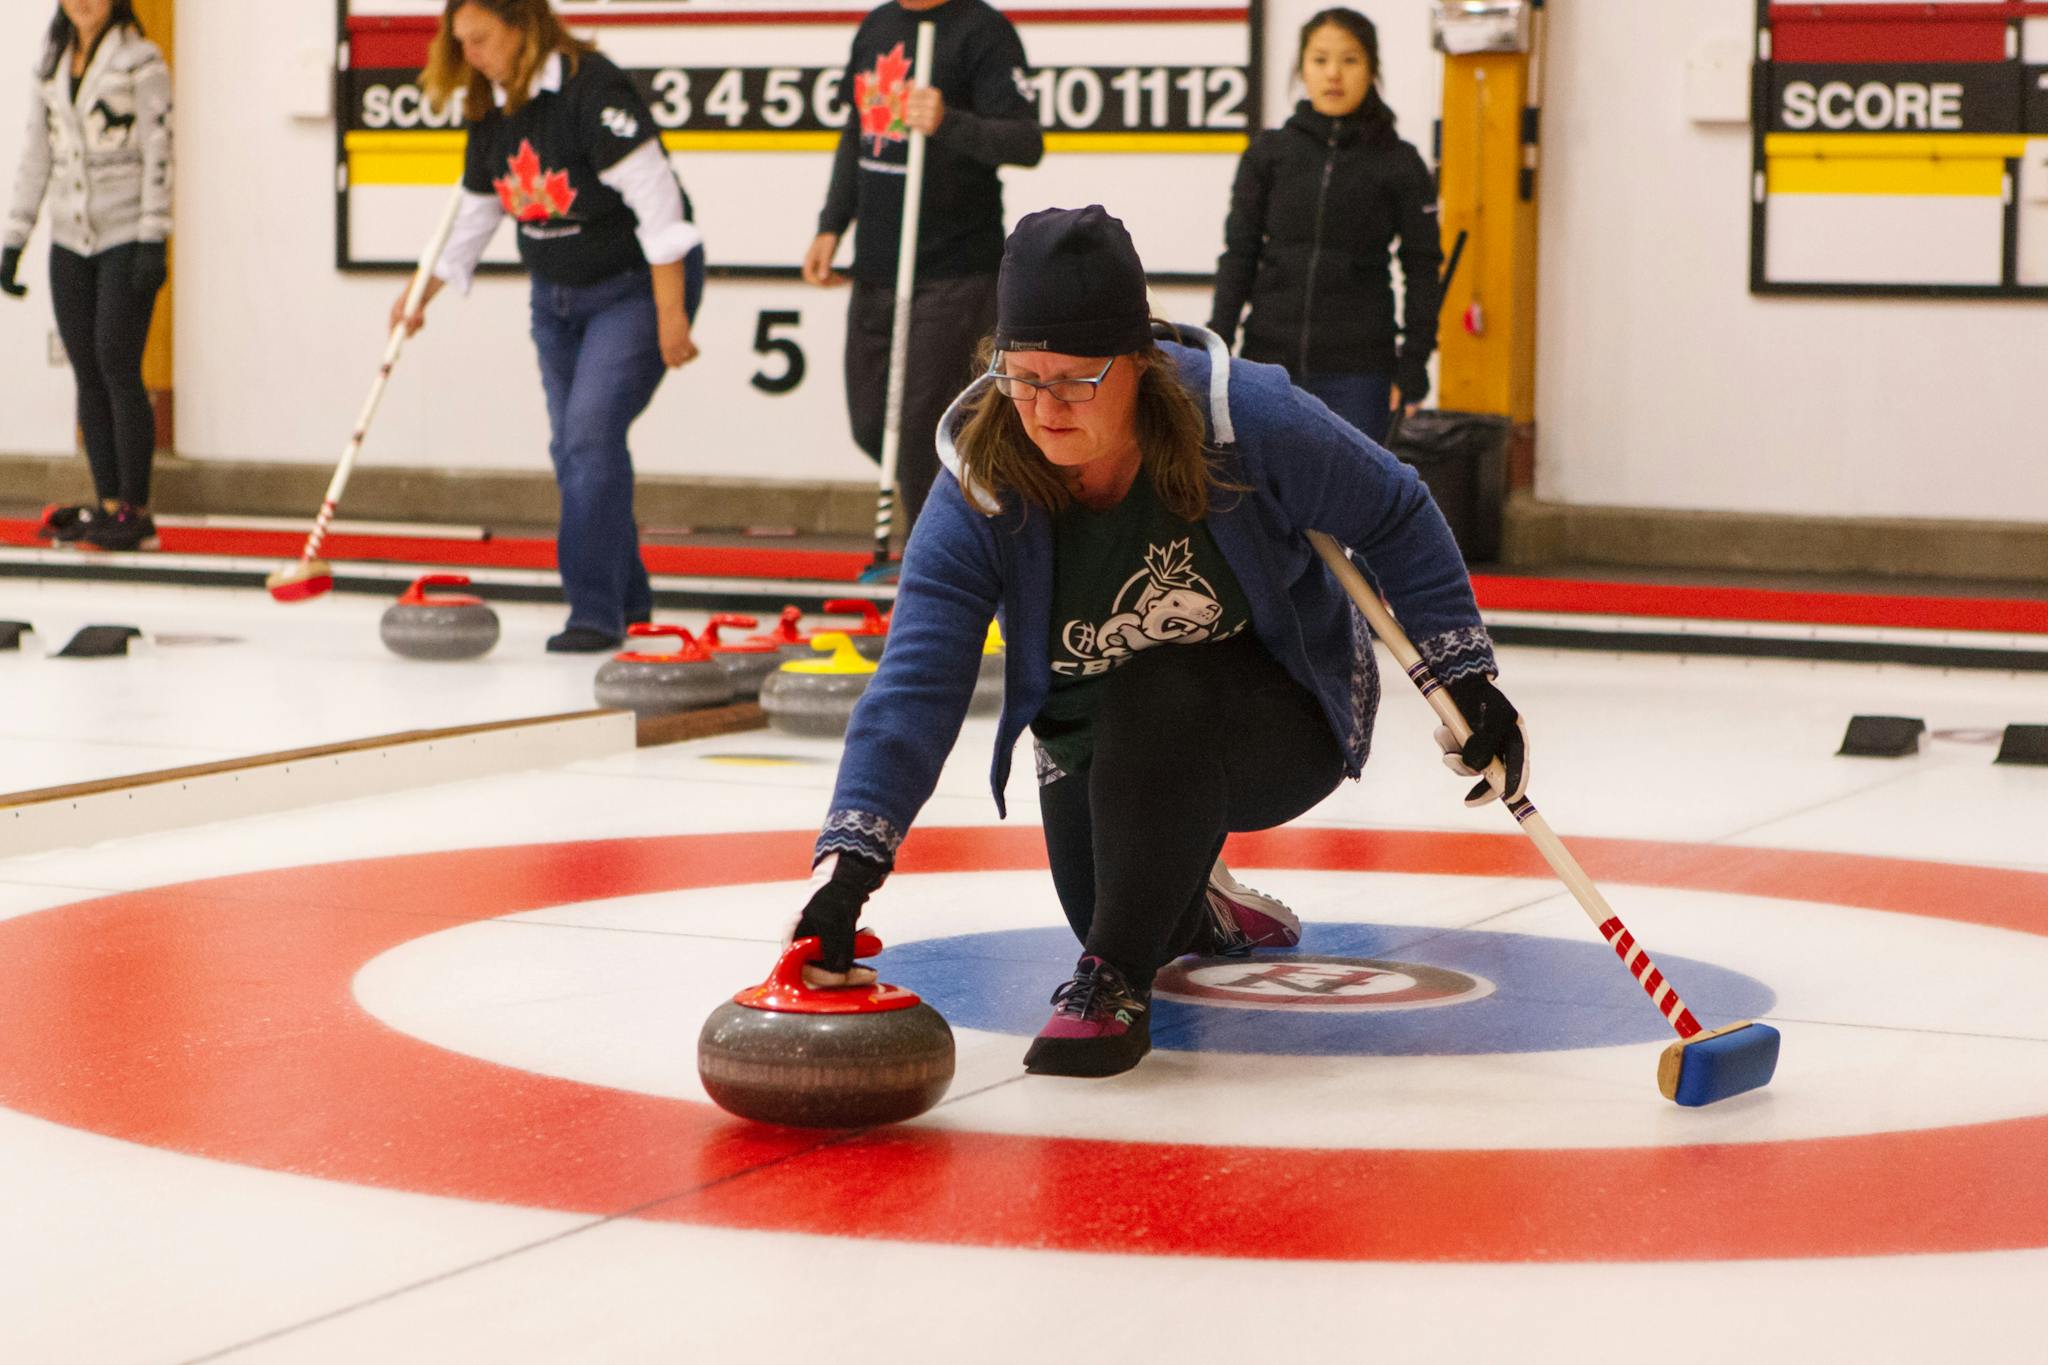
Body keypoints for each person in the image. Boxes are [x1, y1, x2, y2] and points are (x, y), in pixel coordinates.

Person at [790, 206, 1526, 1079]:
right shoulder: (982, 484)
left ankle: (1110, 987)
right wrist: (846, 872)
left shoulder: (1246, 417)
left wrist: (1468, 675)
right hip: (1093, 740)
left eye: (1073, 380)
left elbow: (1397, 509)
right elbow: (916, 682)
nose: (1042, 407)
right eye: (1020, 376)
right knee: (1118, 902)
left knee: (1152, 721)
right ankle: (1198, 912)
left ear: (1138, 362)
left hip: (1273, 719)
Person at [398, 0, 704, 652]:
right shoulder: (492, 108)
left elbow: (660, 205)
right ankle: (630, 602)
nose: (472, 55)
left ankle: (594, 613)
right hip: (555, 298)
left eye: (481, 39)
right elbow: (474, 218)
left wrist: (672, 316)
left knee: (589, 440)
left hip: (635, 290)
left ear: (523, 27)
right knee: (574, 449)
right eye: (463, 43)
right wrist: (418, 294)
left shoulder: (591, 90)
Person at [802, 0, 1042, 550]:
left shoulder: (983, 31)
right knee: (871, 424)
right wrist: (831, 224)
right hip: (879, 267)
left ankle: (936, 565)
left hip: (955, 271)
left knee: (920, 432)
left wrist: (947, 120)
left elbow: (1025, 141)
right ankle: (975, 535)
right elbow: (856, 133)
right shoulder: (878, 26)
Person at [1208, 7, 1443, 444]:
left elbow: (1423, 268)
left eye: (1350, 60)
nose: (1333, 74)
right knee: (1263, 499)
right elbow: (1239, 254)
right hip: (1267, 361)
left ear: (1372, 68)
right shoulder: (1269, 153)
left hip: (1359, 371)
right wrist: (1217, 349)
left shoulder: (1400, 162)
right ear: (1302, 68)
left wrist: (1413, 366)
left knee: (1350, 505)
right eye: (1320, 60)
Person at [3, 0, 172, 552]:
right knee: (86, 371)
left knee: (117, 363)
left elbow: (159, 149)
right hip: (69, 240)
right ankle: (105, 506)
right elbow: (36, 153)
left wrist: (154, 236)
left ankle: (136, 510)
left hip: (126, 238)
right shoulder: (52, 61)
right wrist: (14, 238)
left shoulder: (140, 60)